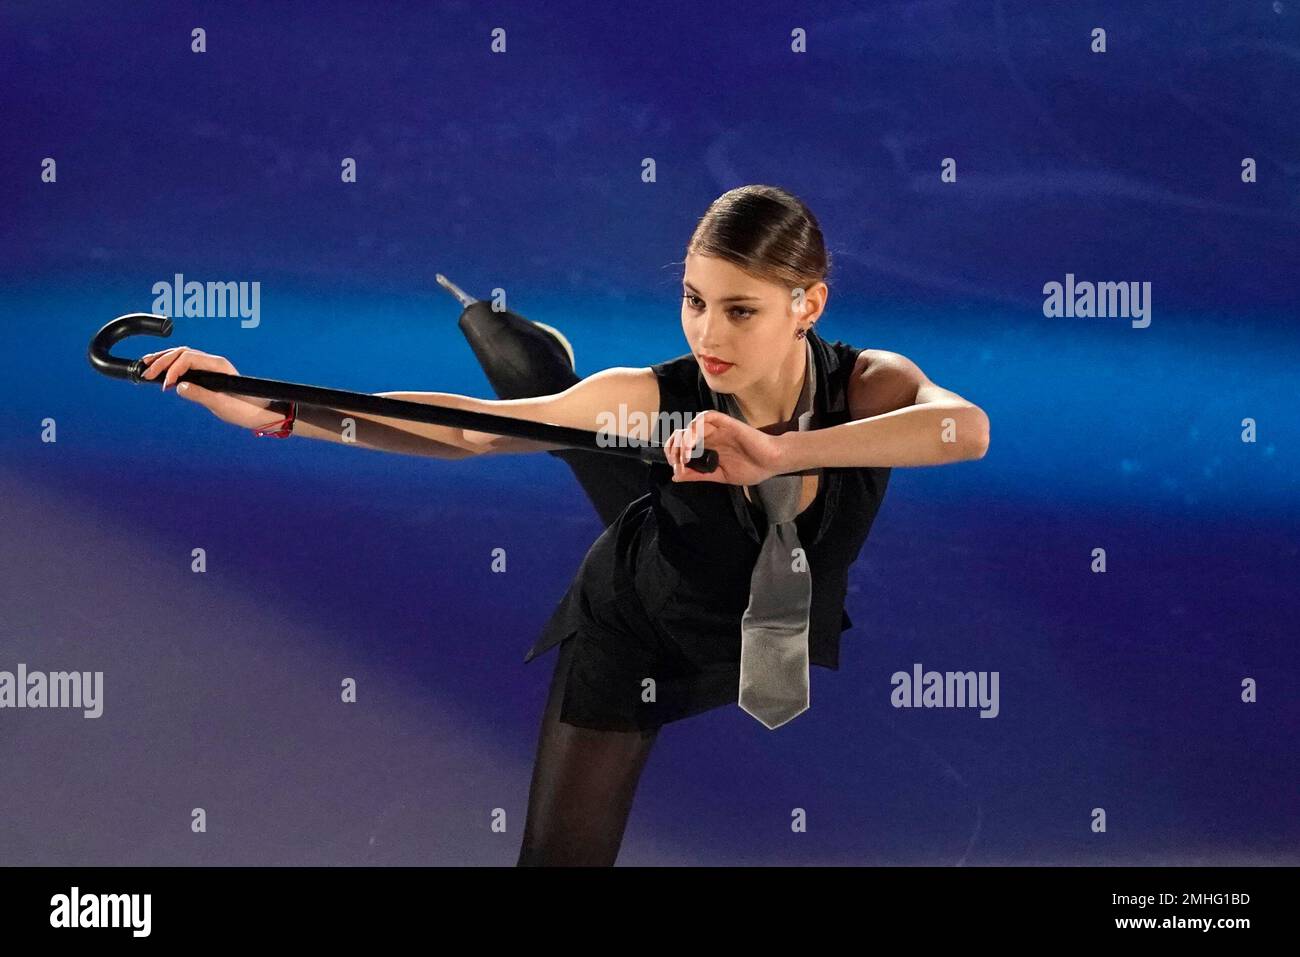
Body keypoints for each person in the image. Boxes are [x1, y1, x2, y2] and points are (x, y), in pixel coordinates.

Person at [138, 184, 990, 866]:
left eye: (740, 310)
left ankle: (539, 366)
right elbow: (468, 430)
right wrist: (280, 408)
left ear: (808, 305)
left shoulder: (869, 384)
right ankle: (543, 378)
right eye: (693, 300)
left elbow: (965, 430)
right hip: (639, 623)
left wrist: (779, 453)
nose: (705, 331)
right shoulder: (659, 394)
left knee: (643, 478)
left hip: (755, 599)